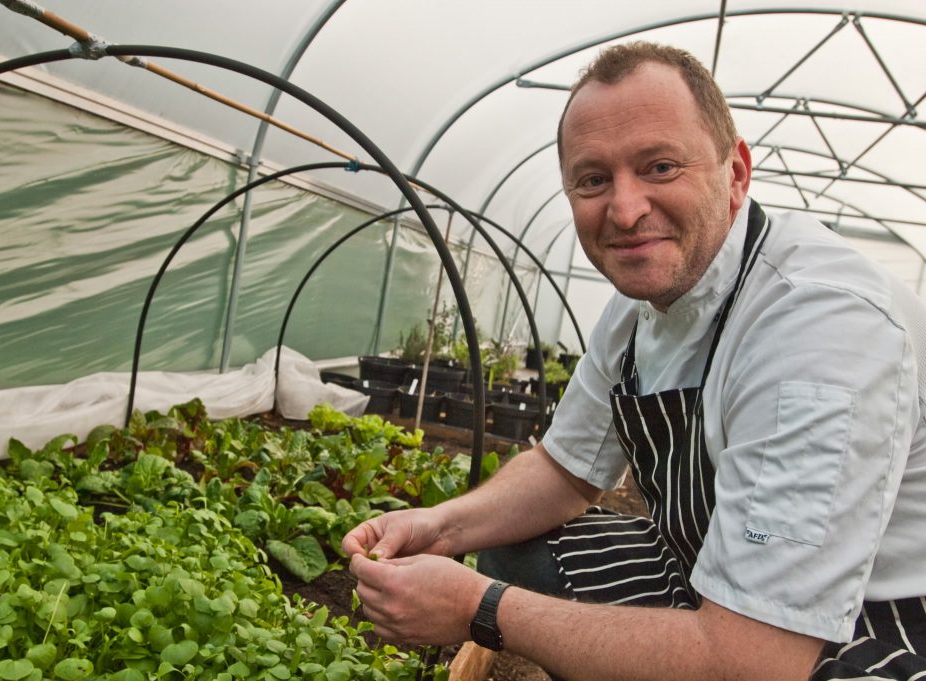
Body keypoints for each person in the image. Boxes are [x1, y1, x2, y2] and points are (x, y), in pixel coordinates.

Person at [344, 41, 926, 681]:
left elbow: (753, 664)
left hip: (862, 623)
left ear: (735, 173)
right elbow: (564, 472)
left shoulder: (819, 324)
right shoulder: (643, 299)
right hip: (706, 569)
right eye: (594, 180)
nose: (624, 211)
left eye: (660, 167)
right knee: (509, 552)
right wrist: (439, 526)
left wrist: (479, 612)